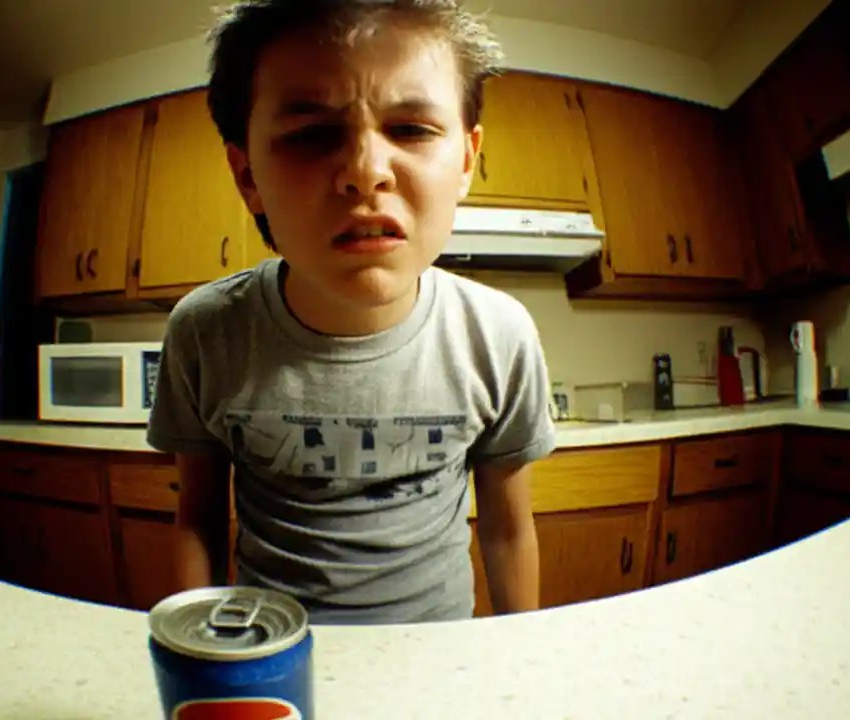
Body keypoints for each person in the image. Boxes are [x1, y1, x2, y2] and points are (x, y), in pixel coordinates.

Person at [147, 0, 555, 624]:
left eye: (411, 129)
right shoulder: (206, 330)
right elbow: (197, 520)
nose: (366, 174)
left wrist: (519, 657)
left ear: (466, 161)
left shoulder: (498, 335)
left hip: (441, 652)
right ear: (247, 175)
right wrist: (198, 650)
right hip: (273, 651)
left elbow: (507, 529)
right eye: (312, 134)